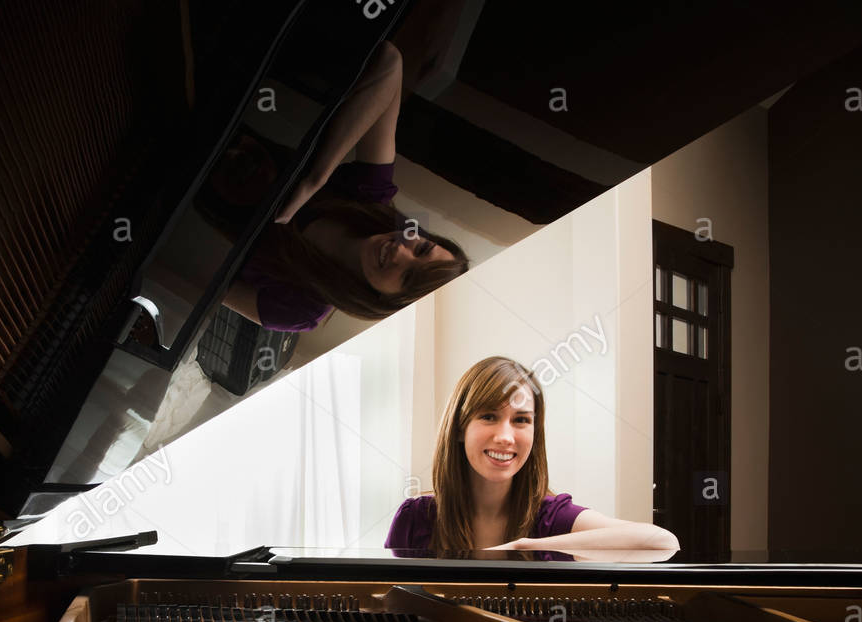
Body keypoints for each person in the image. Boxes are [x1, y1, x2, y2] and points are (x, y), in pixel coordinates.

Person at [222, 42, 468, 333]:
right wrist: (316, 179)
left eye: (408, 277)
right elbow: (389, 61)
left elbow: (199, 290)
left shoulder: (299, 310)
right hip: (223, 117)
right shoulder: (371, 197)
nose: (401, 252)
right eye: (423, 248)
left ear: (391, 301)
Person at [385, 356, 681, 558]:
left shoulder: (551, 519)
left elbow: (662, 543)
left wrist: (531, 544)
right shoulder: (415, 518)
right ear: (460, 428)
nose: (505, 436)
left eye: (521, 420)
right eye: (489, 416)